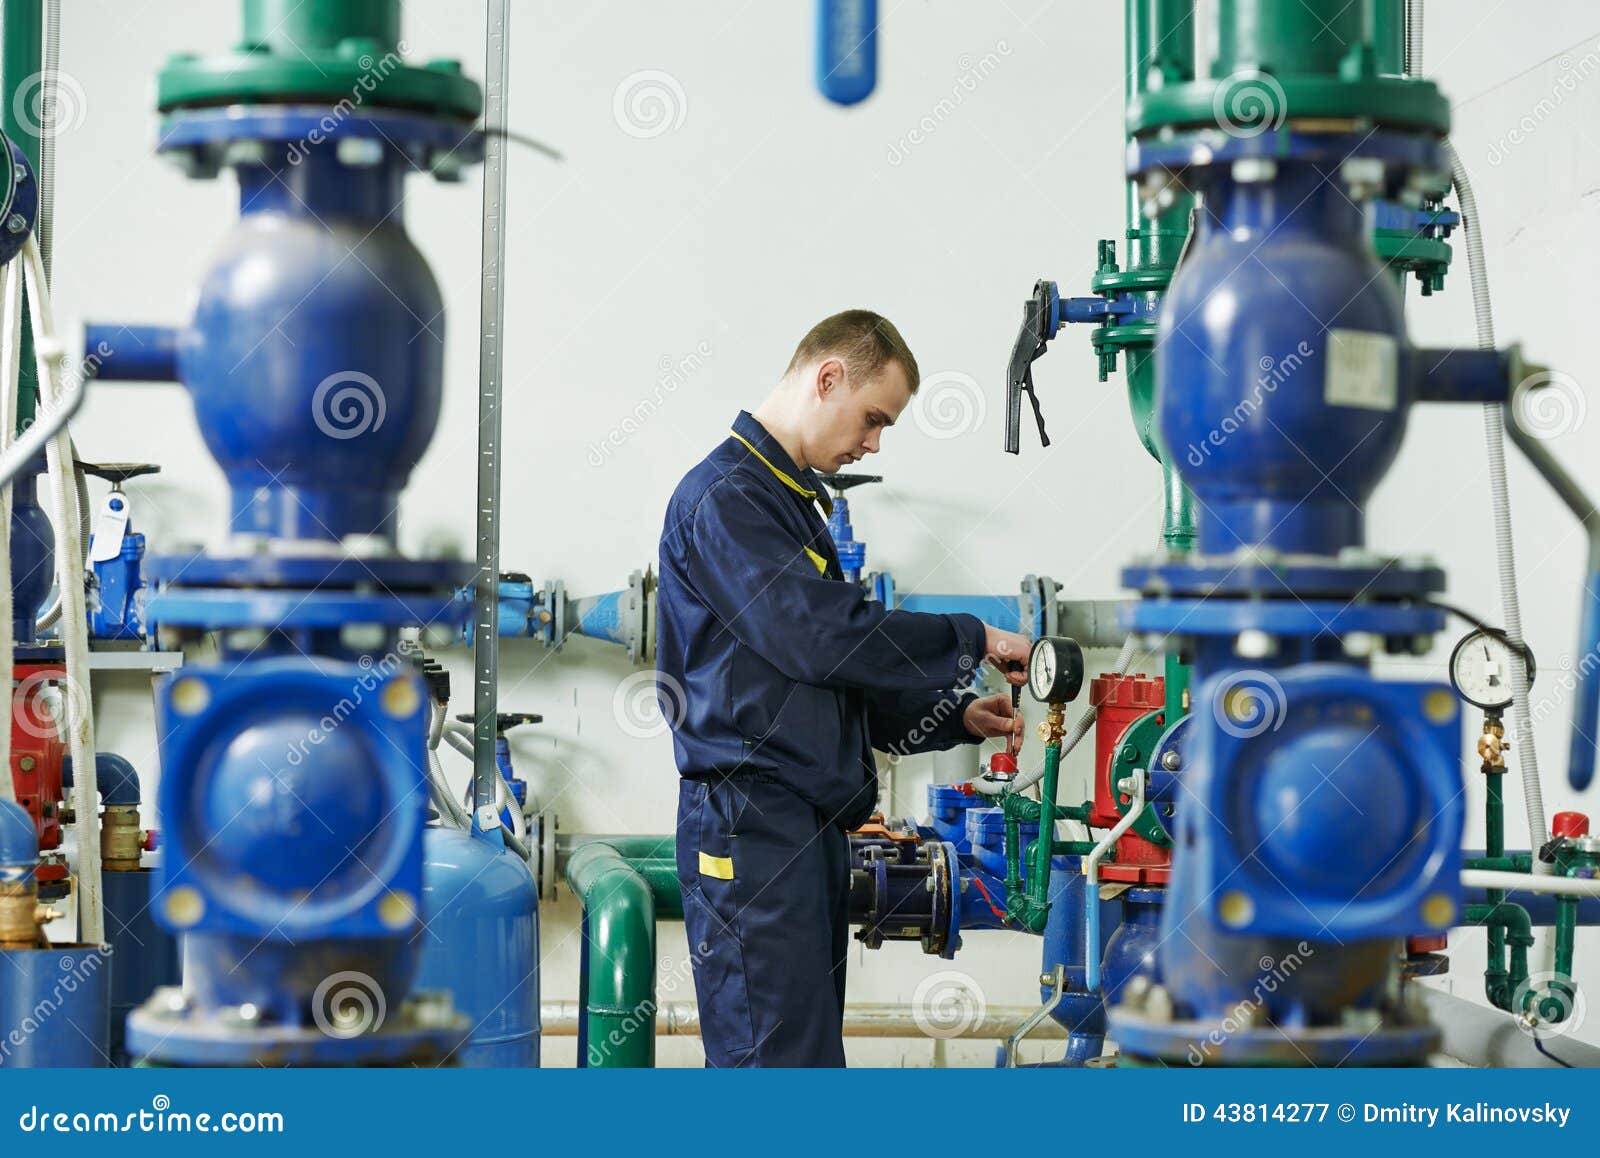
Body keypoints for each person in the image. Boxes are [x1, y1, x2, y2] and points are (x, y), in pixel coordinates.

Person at [655, 309, 1031, 1067]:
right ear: (827, 377)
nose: (873, 443)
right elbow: (818, 634)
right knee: (777, 1071)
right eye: (872, 419)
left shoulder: (789, 504)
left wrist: (956, 716)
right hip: (751, 826)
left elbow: (825, 672)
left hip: (800, 830)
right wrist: (972, 637)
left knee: (807, 1061)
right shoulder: (728, 498)